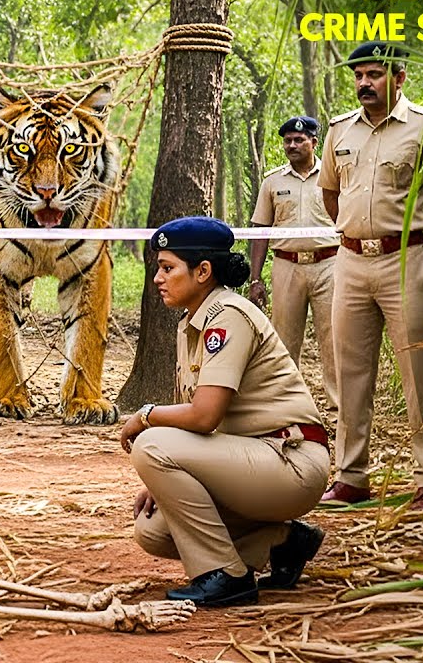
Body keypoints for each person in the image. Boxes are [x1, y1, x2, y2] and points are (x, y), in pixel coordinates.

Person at [120, 216, 330, 607]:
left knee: (148, 445)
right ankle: (283, 542)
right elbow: (198, 426)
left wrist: (146, 415)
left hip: (290, 461)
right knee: (152, 530)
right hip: (252, 459)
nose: (158, 279)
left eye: (168, 268)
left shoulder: (228, 316)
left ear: (203, 271)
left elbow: (203, 417)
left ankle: (227, 575)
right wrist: (163, 481)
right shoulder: (192, 324)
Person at [317, 42, 423, 512]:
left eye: (374, 74)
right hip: (351, 264)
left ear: (398, 78)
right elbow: (330, 194)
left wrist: (410, 238)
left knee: (419, 371)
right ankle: (351, 475)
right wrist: (359, 237)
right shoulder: (339, 131)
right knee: (350, 372)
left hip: (405, 262)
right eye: (359, 75)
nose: (364, 83)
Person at [248, 115, 339, 425]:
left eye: (299, 140)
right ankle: (289, 410)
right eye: (288, 140)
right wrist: (256, 278)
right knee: (285, 341)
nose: (292, 145)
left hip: (330, 265)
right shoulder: (273, 182)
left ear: (314, 142)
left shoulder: (333, 176)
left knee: (334, 339)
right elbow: (260, 231)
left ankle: (339, 413)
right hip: (286, 266)